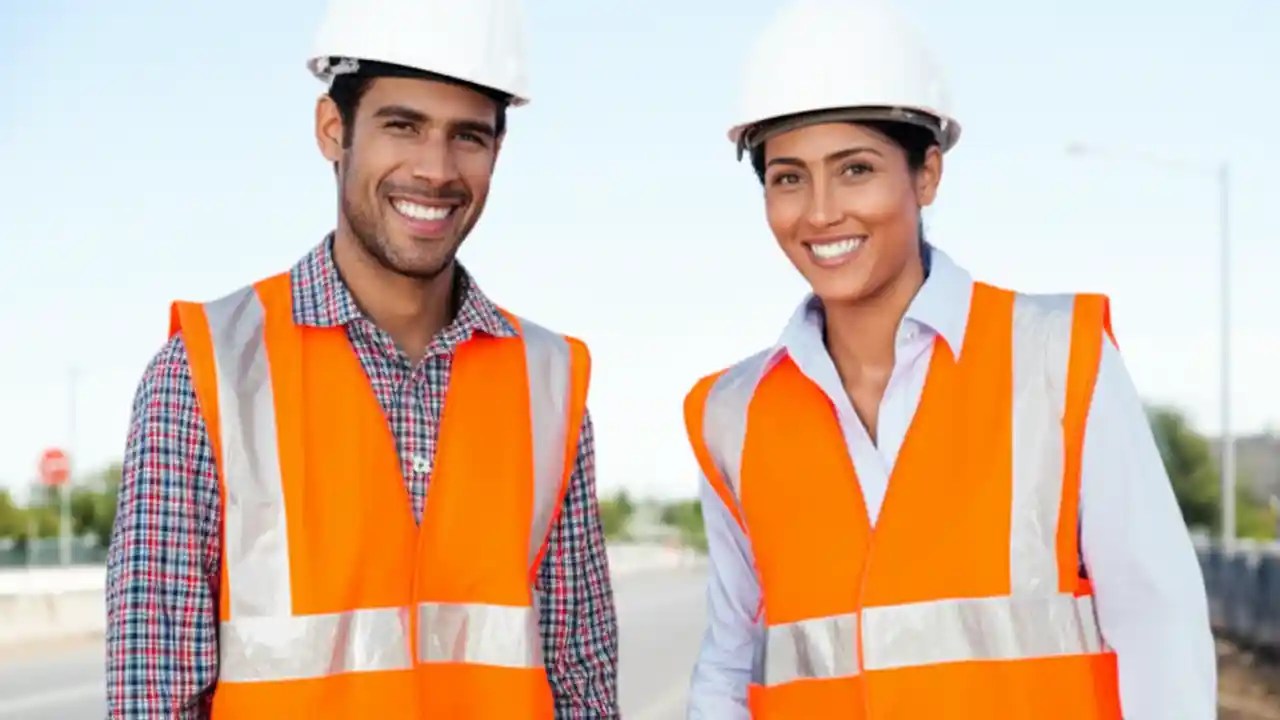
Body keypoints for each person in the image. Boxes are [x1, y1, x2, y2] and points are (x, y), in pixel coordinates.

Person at [681, 0, 1216, 717]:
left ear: (926, 175)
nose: (819, 211)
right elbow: (728, 662)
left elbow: (1159, 630)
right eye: (788, 178)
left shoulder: (1058, 358)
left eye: (856, 169)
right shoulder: (733, 413)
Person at [104, 1, 620, 717]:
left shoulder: (548, 384)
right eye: (401, 125)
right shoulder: (206, 373)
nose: (435, 170)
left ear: (497, 152)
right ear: (332, 130)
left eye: (467, 136)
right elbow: (150, 692)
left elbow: (582, 681)